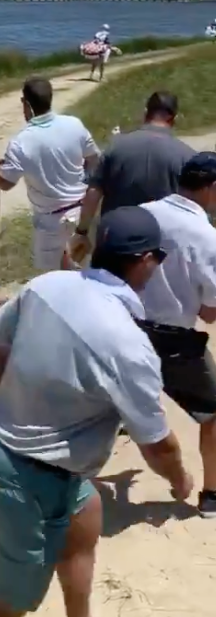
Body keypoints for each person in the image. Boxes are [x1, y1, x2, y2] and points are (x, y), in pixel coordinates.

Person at [0, 207, 192, 617]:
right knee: (11, 602)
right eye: (158, 256)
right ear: (145, 260)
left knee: (85, 518)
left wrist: (11, 401)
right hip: (27, 473)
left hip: (24, 451)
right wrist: (180, 480)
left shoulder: (47, 284)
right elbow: (157, 444)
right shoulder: (128, 345)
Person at [140, 152, 216, 517]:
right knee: (214, 414)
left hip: (126, 329)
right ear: (211, 188)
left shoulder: (143, 213)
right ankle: (212, 495)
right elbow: (210, 313)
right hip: (174, 341)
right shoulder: (206, 236)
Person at [70, 91, 193, 264]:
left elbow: (93, 192)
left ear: (145, 113)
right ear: (175, 118)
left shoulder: (116, 146)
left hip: (114, 243)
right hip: (160, 249)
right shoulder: (186, 156)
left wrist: (82, 232)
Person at [0, 76, 100, 272]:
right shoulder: (74, 124)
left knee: (52, 280)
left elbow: (6, 184)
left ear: (25, 104)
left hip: (50, 221)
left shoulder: (21, 142)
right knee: (84, 275)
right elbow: (94, 160)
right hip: (82, 214)